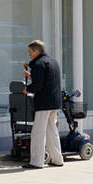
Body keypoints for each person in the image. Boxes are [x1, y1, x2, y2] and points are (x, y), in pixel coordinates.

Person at [26, 39, 64, 169]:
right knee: (52, 131)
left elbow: (38, 86)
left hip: (43, 103)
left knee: (38, 132)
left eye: (31, 52)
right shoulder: (53, 61)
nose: (29, 54)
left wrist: (28, 89)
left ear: (37, 51)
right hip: (54, 102)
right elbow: (47, 80)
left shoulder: (38, 64)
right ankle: (58, 159)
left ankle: (36, 161)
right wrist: (32, 77)